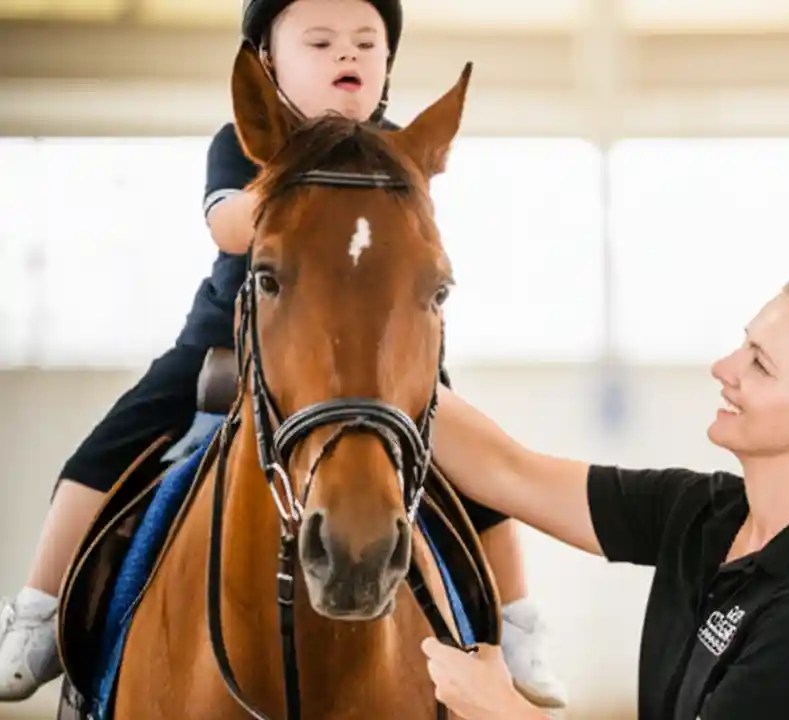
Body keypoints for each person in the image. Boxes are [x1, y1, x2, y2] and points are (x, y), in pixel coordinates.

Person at [0, 0, 566, 707]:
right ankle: (42, 608)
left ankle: (515, 621)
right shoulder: (245, 142)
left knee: (478, 473)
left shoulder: (392, 152)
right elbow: (229, 227)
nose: (347, 55)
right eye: (321, 42)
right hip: (225, 345)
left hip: (372, 354)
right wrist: (291, 183)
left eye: (367, 42)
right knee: (104, 452)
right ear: (267, 66)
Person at [417, 276, 789, 719]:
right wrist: (382, 361)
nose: (724, 368)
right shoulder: (709, 514)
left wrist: (503, 711)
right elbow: (511, 475)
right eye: (743, 343)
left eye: (760, 362)